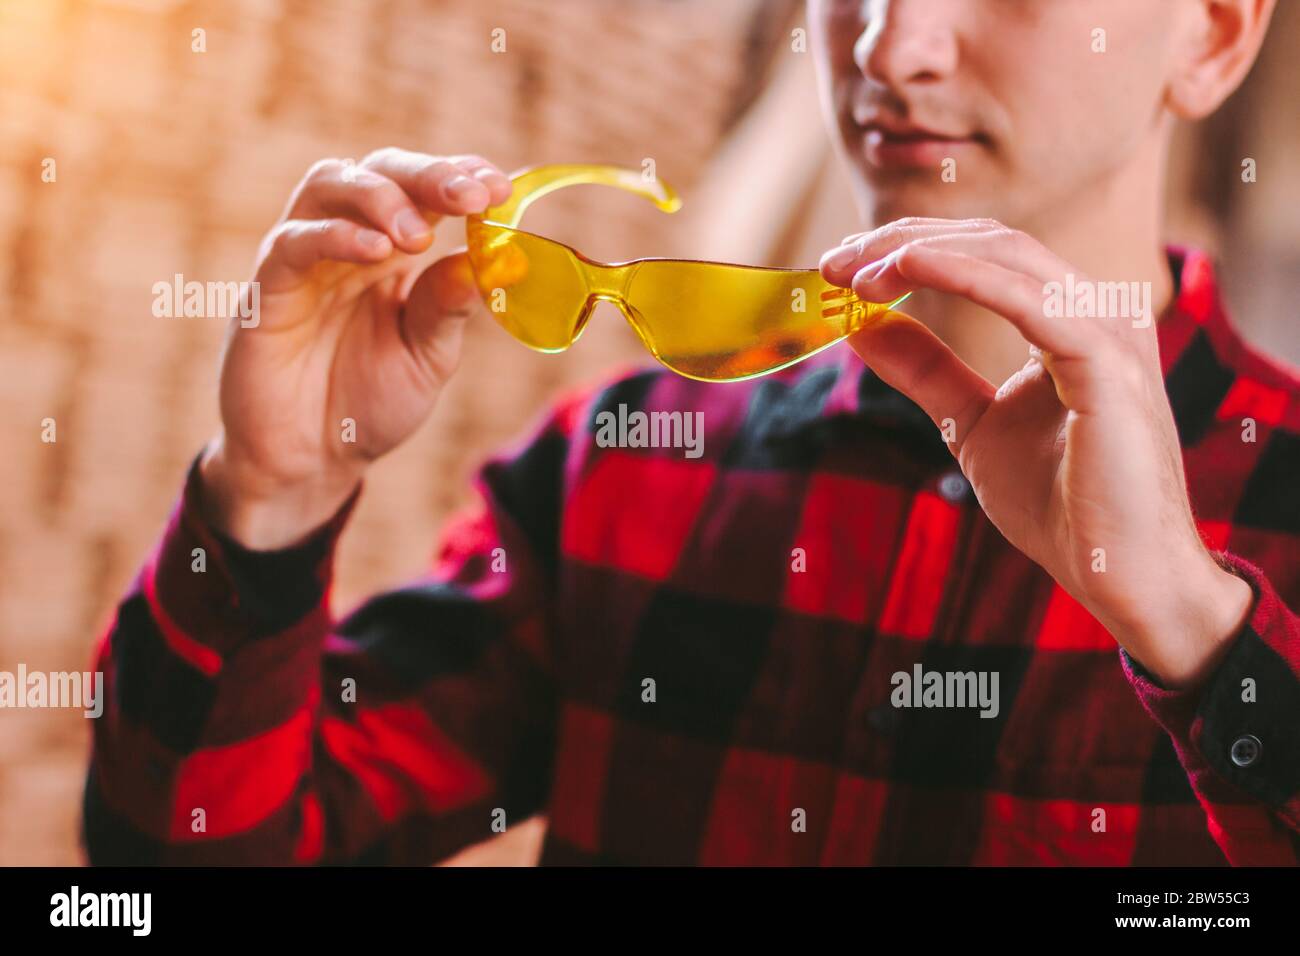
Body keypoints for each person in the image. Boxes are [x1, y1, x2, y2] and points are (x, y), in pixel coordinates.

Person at [84, 0, 1297, 865]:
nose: (892, 42)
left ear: (1215, 32)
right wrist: (266, 499)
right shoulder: (622, 464)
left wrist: (1197, 637)